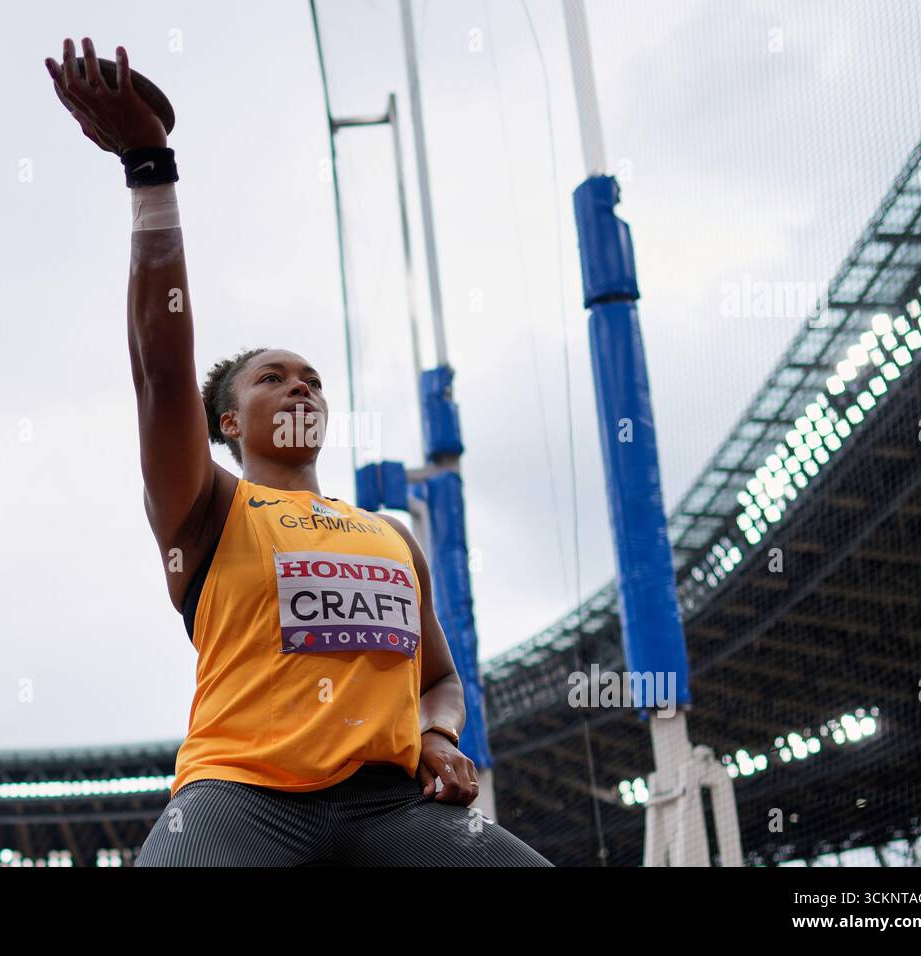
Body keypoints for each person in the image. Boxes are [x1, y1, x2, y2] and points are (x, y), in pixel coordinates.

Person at [44, 37, 552, 867]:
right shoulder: (207, 507)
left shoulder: (391, 535)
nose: (301, 388)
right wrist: (148, 167)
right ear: (230, 424)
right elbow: (162, 373)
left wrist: (435, 733)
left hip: (392, 806)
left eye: (312, 378)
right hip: (240, 798)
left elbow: (439, 678)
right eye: (273, 379)